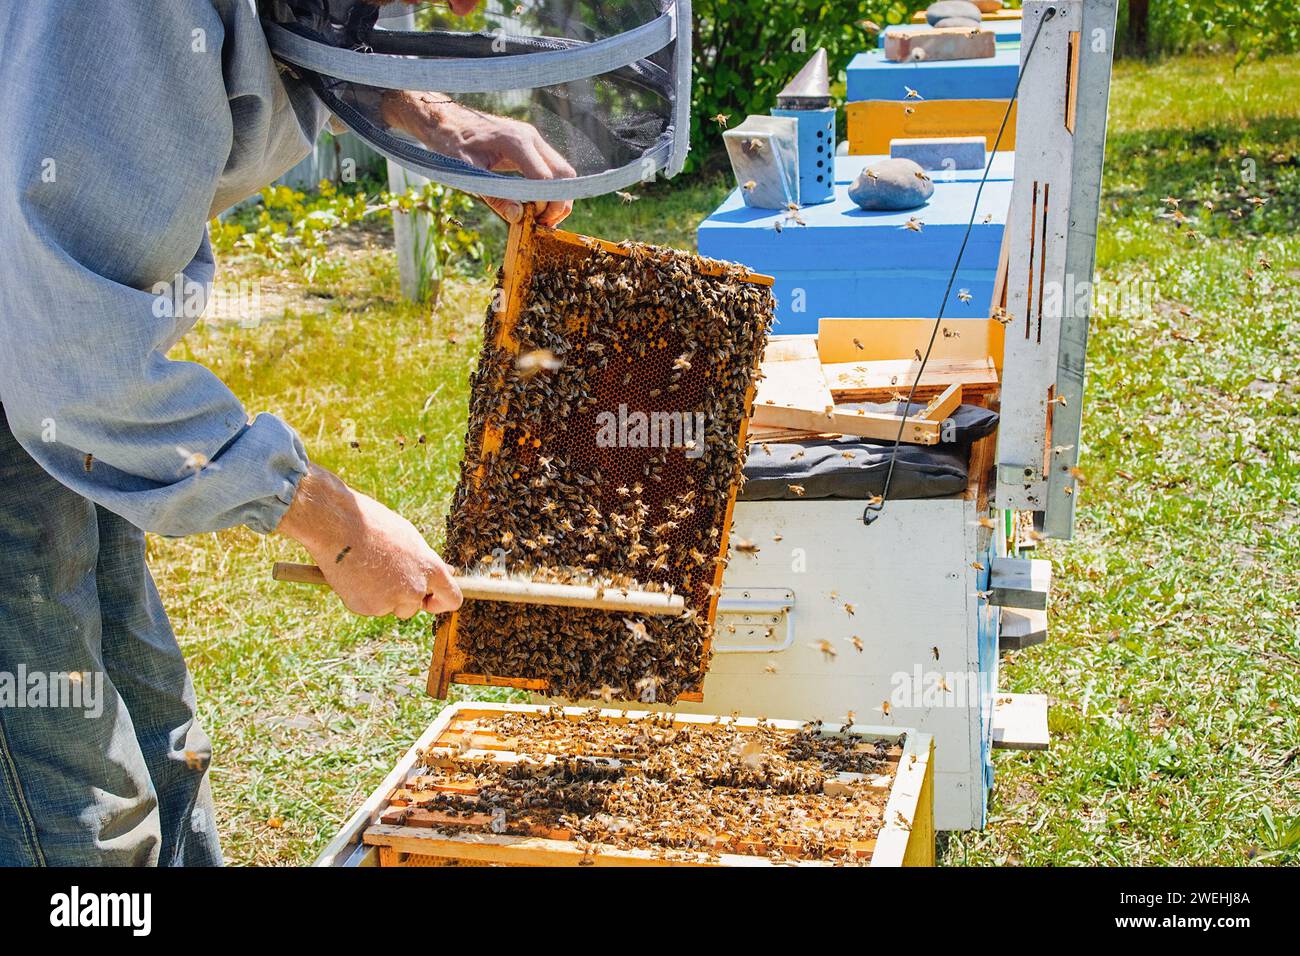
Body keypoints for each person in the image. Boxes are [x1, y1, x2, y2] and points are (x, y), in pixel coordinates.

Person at [0, 0, 571, 866]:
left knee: (163, 732)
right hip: (41, 339)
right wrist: (334, 527)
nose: (461, 10)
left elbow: (288, 22)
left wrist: (435, 114)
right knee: (75, 799)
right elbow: (74, 363)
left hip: (55, 333)